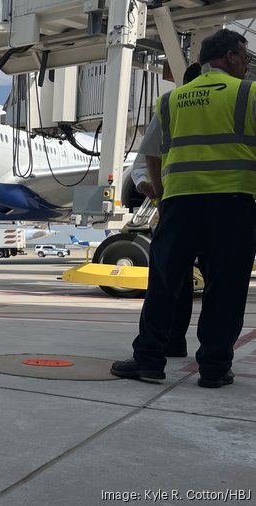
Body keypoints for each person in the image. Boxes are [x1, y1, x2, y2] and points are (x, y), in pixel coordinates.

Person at [111, 29, 256, 389]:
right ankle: (214, 367)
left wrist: (163, 197)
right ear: (228, 56)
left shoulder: (171, 100)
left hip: (179, 204)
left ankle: (148, 360)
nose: (246, 63)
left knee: (164, 283)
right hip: (234, 203)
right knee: (226, 287)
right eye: (244, 56)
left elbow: (152, 155)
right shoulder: (249, 94)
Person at [125, 62, 203, 357]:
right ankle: (213, 360)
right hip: (217, 205)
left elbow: (143, 166)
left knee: (170, 281)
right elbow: (143, 165)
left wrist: (155, 190)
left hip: (178, 205)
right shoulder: (174, 108)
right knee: (217, 284)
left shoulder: (172, 104)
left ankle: (159, 349)